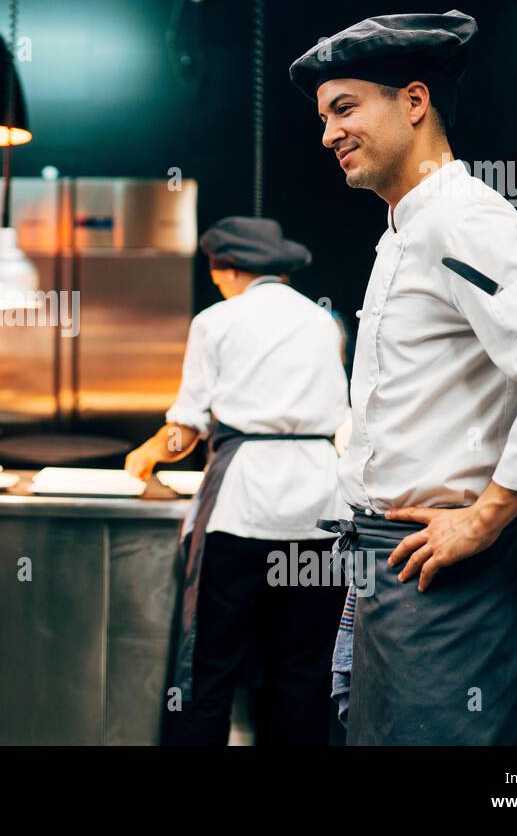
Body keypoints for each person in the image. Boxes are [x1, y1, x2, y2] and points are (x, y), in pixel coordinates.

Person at [288, 10, 517, 744]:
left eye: (344, 107)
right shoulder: (405, 227)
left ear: (414, 101)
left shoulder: (460, 219)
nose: (327, 135)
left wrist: (485, 515)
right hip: (390, 565)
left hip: (444, 582)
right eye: (323, 117)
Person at [125, 217, 349, 746]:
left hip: (242, 513)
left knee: (209, 670)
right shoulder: (326, 323)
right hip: (319, 513)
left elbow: (187, 426)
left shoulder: (217, 320)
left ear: (225, 269)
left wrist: (150, 454)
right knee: (300, 673)